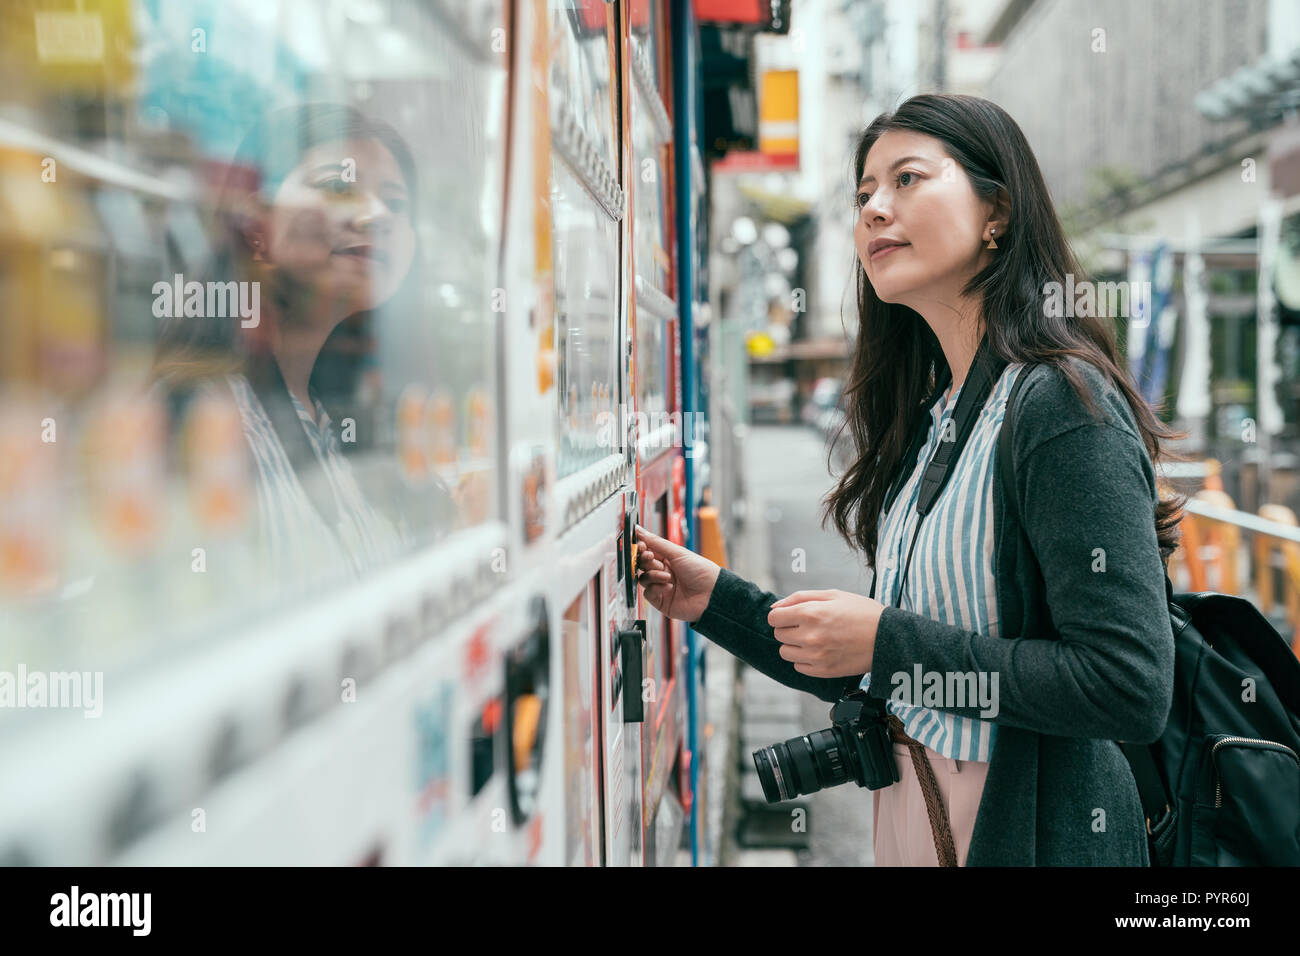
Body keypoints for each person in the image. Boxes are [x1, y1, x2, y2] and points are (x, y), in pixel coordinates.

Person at [635, 93, 1185, 867]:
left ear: (997, 211)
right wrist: (714, 602)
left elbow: (1128, 685)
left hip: (1018, 830)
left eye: (906, 180)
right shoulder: (941, 417)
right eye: (863, 195)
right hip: (916, 811)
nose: (873, 210)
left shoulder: (1059, 405)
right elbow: (895, 666)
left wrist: (891, 641)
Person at [153, 103, 455, 591]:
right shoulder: (203, 418)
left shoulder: (332, 421)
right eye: (339, 186)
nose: (375, 215)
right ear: (254, 219)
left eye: (395, 204)